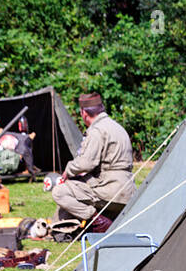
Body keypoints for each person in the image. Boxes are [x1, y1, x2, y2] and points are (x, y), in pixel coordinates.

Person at [51, 94, 135, 229]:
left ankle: (99, 223)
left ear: (84, 113)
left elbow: (85, 163)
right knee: (78, 186)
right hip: (127, 192)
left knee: (60, 192)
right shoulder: (117, 127)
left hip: (109, 190)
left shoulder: (97, 130)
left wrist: (68, 170)